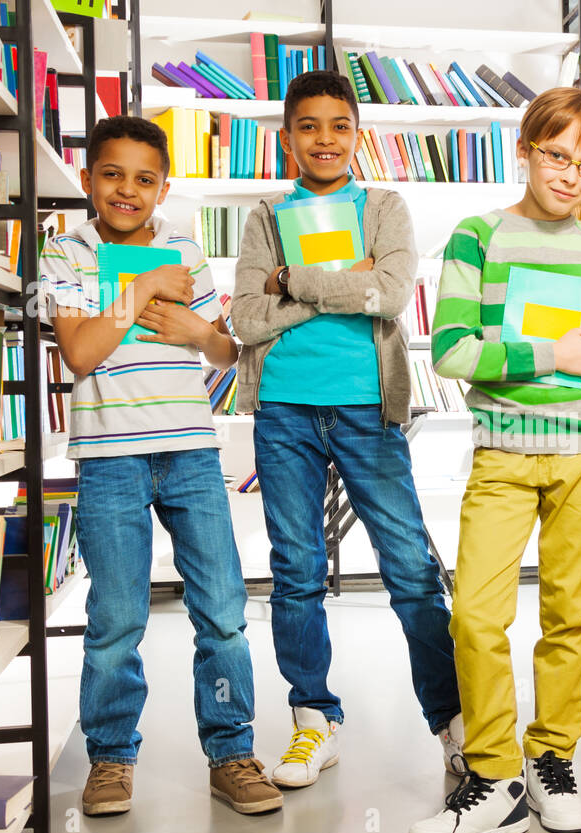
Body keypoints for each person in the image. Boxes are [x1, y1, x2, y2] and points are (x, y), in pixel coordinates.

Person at [41, 115, 282, 817]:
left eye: (144, 178)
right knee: (116, 616)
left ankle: (232, 752)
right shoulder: (66, 254)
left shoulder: (187, 249)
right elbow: (81, 353)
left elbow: (226, 354)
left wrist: (203, 332)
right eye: (112, 174)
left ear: (163, 186)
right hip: (109, 459)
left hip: (191, 454)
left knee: (225, 612)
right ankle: (111, 760)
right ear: (89, 180)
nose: (127, 190)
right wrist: (145, 288)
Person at [230, 71, 463, 791]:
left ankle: (454, 724)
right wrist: (336, 284)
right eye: (308, 126)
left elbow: (389, 295)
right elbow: (245, 321)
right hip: (284, 412)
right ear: (286, 136)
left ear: (357, 135)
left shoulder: (384, 205)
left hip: (368, 407)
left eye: (338, 126)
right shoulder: (267, 216)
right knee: (296, 573)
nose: (324, 140)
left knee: (412, 572)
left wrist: (291, 282)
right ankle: (313, 720)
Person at [406, 87, 581, 833]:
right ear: (526, 148)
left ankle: (553, 760)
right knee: (476, 615)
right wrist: (548, 354)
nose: (569, 175)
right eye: (557, 155)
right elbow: (453, 351)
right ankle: (494, 776)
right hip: (503, 453)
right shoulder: (478, 236)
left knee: (568, 617)